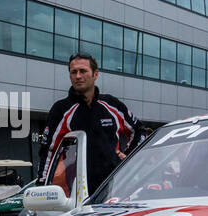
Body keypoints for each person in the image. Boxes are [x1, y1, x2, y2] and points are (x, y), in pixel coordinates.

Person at [39, 52, 139, 195]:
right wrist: (42, 187)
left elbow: (139, 131)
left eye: (83, 71)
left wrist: (128, 157)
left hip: (116, 189)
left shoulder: (111, 104)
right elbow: (48, 151)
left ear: (95, 74)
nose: (78, 76)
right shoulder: (61, 109)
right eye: (74, 72)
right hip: (78, 194)